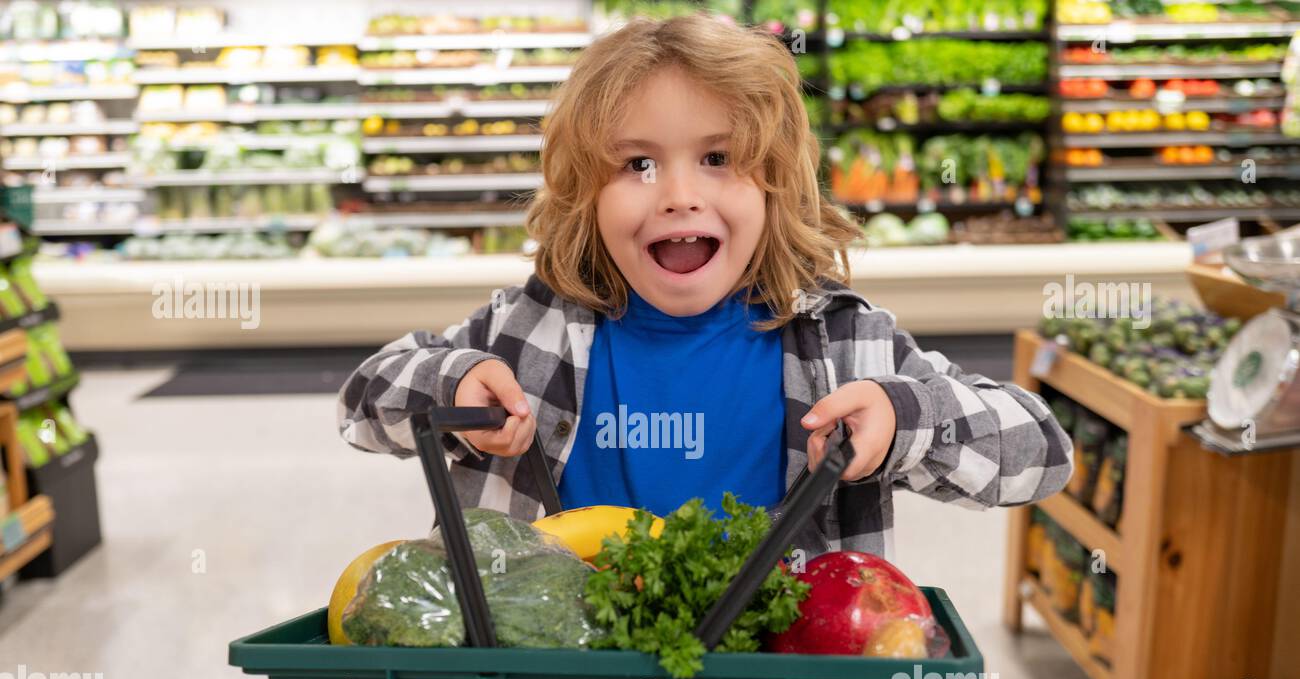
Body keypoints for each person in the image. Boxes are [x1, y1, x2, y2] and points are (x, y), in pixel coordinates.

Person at [338, 14, 1072, 561]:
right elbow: (362, 404)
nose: (679, 195)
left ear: (776, 184)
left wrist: (904, 415)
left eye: (718, 157)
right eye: (637, 165)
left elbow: (1043, 453)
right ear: (583, 194)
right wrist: (452, 382)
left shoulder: (842, 348)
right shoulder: (532, 331)